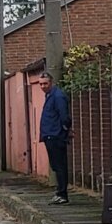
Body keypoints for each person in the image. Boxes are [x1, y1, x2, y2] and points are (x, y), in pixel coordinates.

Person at [39, 72, 72, 205]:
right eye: (41, 84)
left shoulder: (57, 96)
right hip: (50, 135)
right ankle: (60, 192)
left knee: (59, 166)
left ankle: (62, 194)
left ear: (51, 82)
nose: (42, 86)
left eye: (45, 83)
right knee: (56, 165)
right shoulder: (50, 95)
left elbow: (64, 116)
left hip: (55, 135)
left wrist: (65, 129)